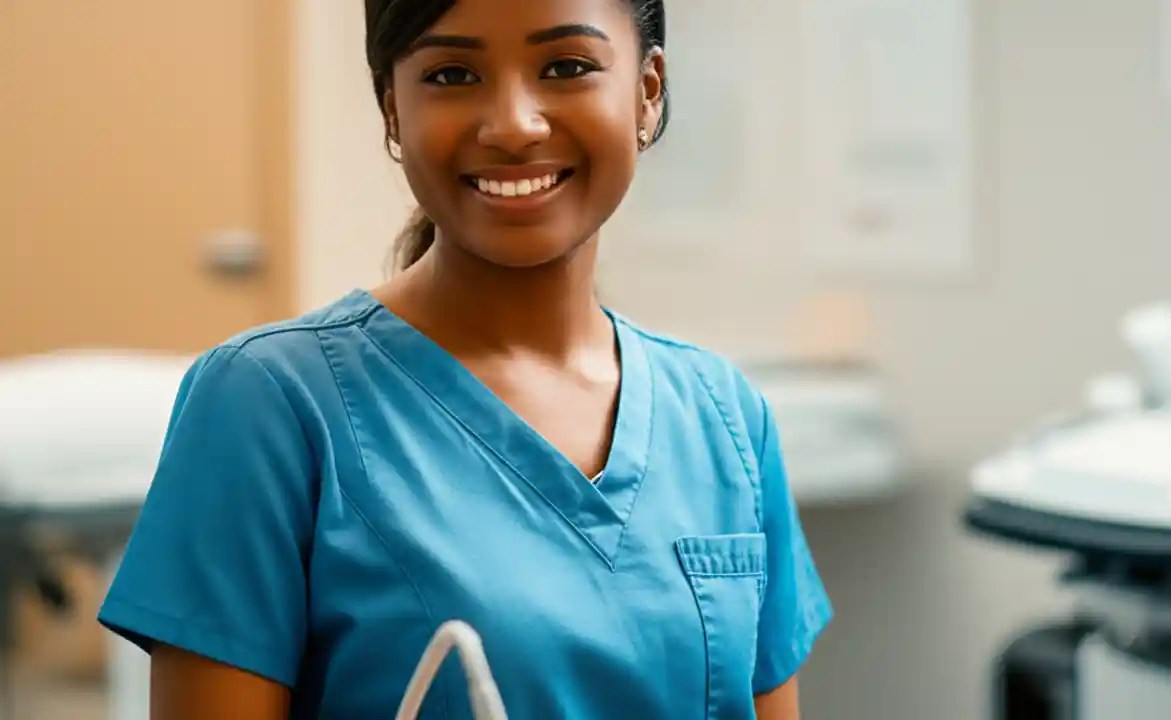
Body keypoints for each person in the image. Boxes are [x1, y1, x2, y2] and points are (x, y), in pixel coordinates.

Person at [97, 0, 832, 718]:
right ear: (392, 109)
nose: (513, 125)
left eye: (567, 65)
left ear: (647, 93)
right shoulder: (267, 405)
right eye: (452, 75)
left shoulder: (724, 414)